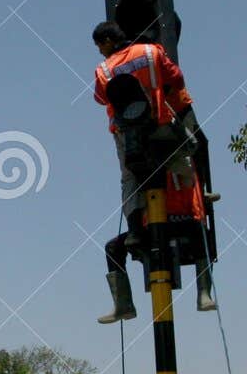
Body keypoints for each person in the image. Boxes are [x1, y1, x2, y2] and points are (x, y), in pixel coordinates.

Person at [91, 20, 216, 321]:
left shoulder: (104, 70)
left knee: (129, 183)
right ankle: (204, 293)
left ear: (108, 40)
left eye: (100, 45)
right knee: (185, 169)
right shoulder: (151, 51)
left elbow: (100, 98)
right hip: (162, 128)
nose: (99, 50)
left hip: (130, 139)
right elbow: (176, 78)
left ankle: (134, 232)